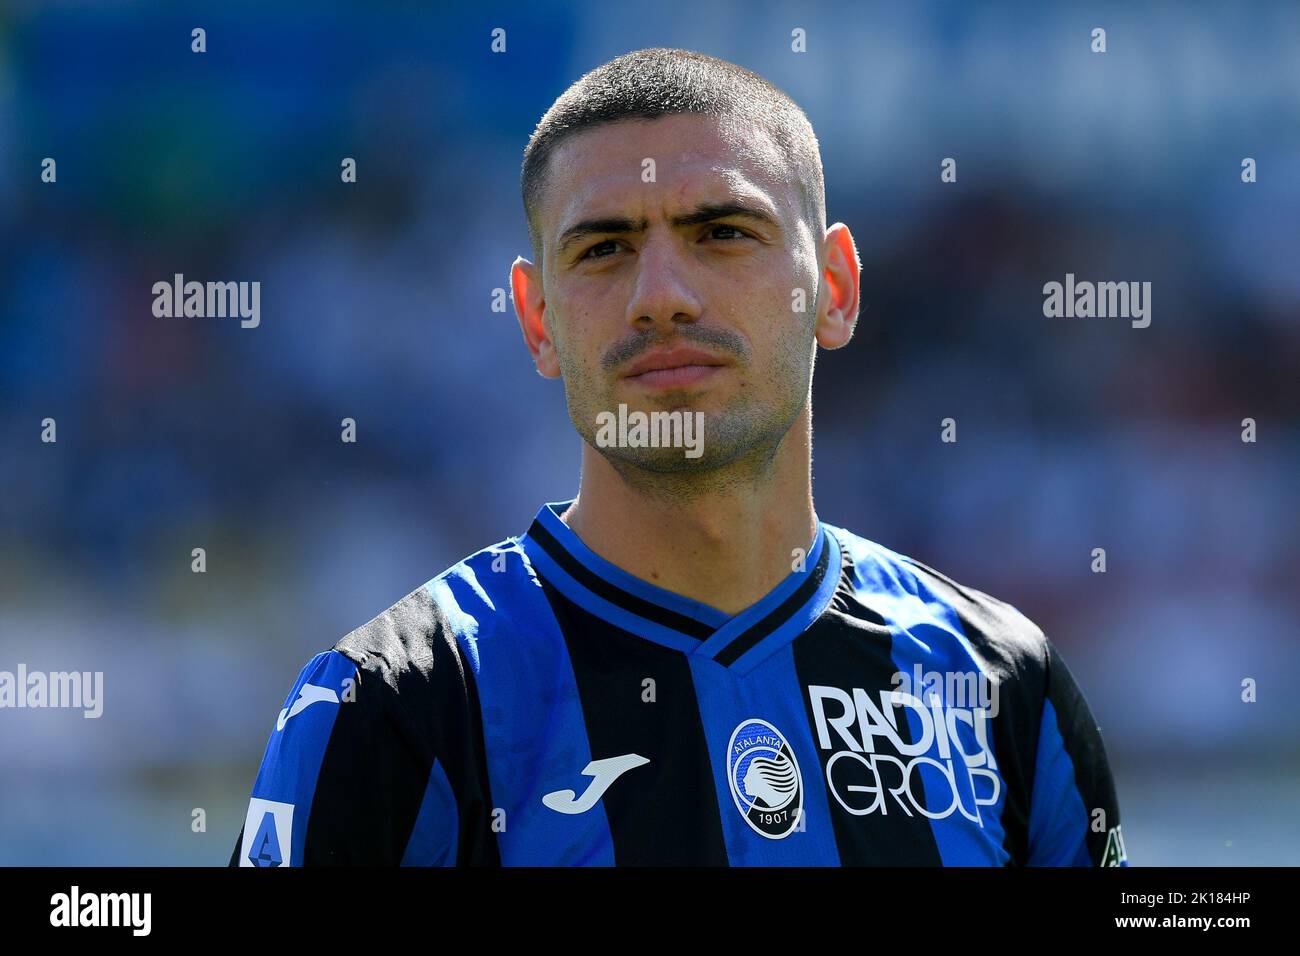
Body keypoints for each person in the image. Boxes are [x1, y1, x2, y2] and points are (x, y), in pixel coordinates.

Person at [229, 47, 1126, 867]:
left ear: (836, 288)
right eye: (605, 248)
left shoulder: (1005, 687)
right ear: (537, 320)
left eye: (723, 232)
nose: (661, 296)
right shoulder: (396, 705)